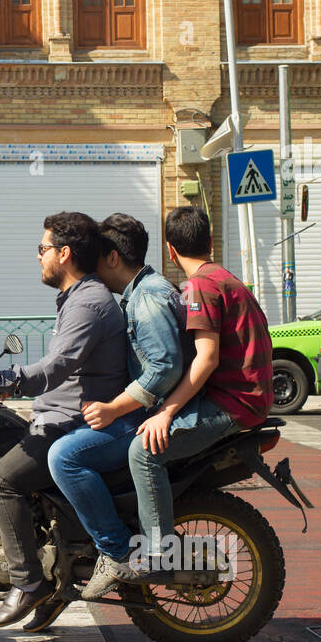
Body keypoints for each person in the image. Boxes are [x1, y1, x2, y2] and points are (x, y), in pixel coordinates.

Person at [0, 212, 127, 630]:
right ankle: (55, 579)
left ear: (64, 254)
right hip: (58, 415)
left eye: (42, 249)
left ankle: (28, 582)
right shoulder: (78, 298)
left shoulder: (87, 303)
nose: (38, 257)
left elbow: (57, 366)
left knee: (0, 481)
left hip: (72, 423)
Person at [47, 213, 189, 600]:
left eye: (94, 260)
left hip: (148, 415)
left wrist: (113, 409)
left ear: (112, 258)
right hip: (143, 411)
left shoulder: (147, 299)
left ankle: (115, 551)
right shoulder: (137, 294)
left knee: (64, 457)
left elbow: (164, 367)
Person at [127, 206, 272, 569]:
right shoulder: (224, 278)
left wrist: (167, 412)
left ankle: (160, 553)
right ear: (210, 242)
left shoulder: (200, 286)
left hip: (234, 403)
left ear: (170, 251)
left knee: (143, 452)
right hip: (246, 397)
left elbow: (206, 359)